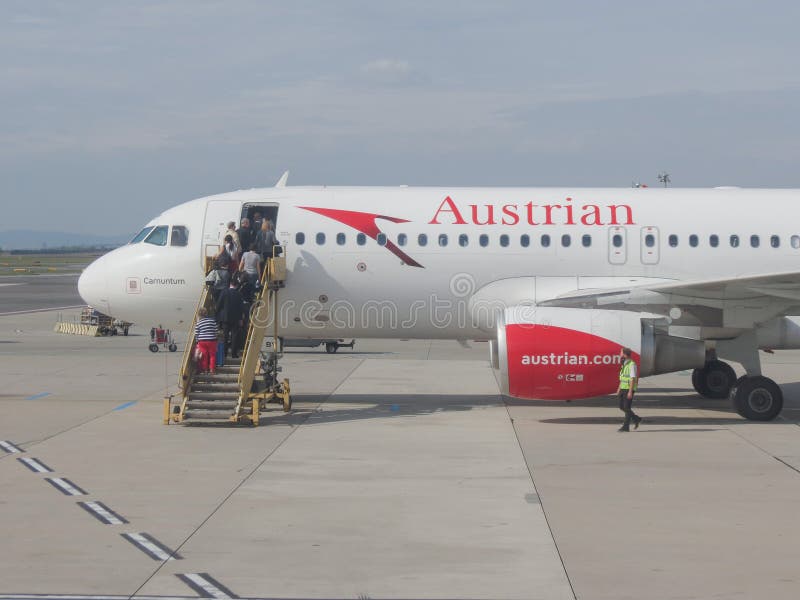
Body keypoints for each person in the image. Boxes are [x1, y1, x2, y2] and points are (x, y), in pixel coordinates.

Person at [216, 279, 245, 358]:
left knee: (225, 336)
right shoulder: (239, 294)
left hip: (225, 318)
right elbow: (241, 308)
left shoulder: (224, 292)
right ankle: (234, 354)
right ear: (236, 285)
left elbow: (219, 305)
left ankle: (224, 353)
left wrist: (218, 315)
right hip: (236, 318)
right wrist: (241, 319)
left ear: (230, 284)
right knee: (234, 336)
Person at [616, 347, 642, 432]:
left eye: (621, 352)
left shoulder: (632, 365)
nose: (620, 354)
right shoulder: (624, 363)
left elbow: (632, 378)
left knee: (627, 407)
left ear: (625, 354)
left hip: (628, 389)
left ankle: (626, 427)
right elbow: (622, 377)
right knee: (621, 406)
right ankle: (636, 418)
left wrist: (630, 391)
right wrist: (619, 388)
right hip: (623, 387)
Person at [194, 307, 218, 374]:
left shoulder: (199, 323)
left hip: (202, 341)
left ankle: (205, 369)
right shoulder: (212, 321)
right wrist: (216, 337)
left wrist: (197, 341)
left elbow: (197, 333)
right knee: (212, 355)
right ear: (206, 313)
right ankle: (212, 369)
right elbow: (216, 330)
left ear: (199, 315)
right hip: (211, 340)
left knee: (204, 356)